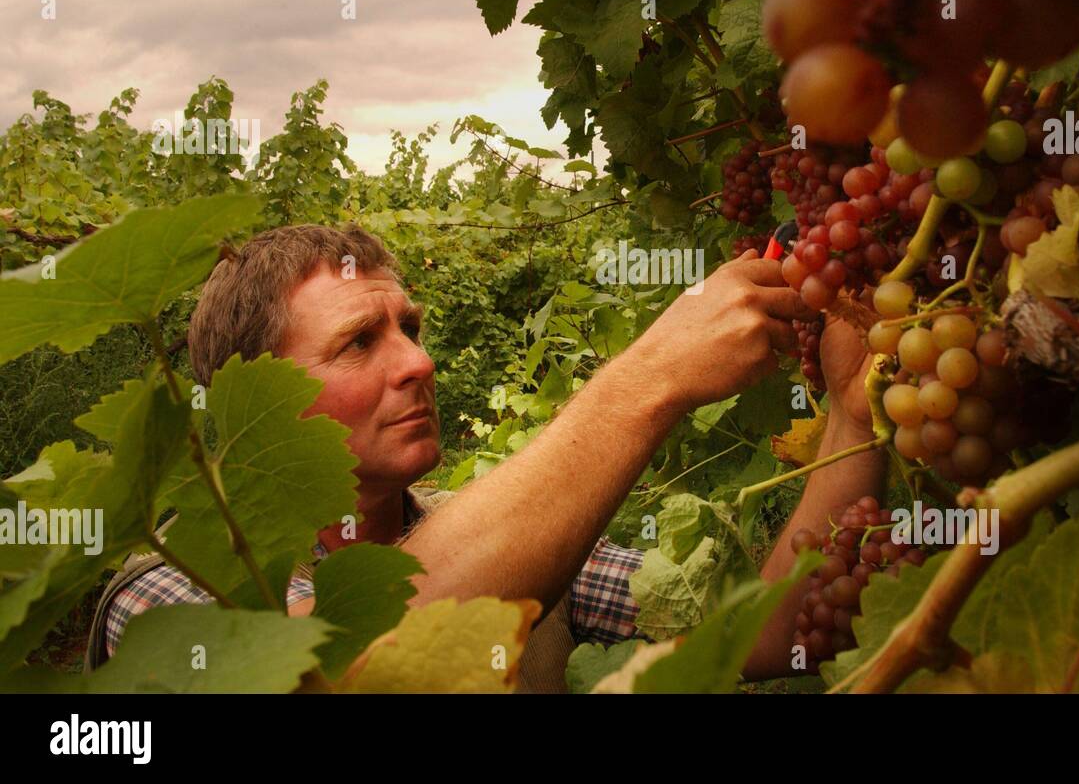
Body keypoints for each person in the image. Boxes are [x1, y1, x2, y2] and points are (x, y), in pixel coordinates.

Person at [90, 224, 884, 686]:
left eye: (410, 328)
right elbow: (351, 670)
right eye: (361, 341)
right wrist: (649, 378)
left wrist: (852, 414)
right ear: (246, 402)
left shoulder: (517, 540)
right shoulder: (170, 590)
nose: (418, 363)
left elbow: (777, 629)